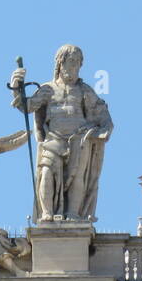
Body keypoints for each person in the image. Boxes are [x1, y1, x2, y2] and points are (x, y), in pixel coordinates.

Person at [10, 45, 112, 224]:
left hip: (79, 140)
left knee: (78, 177)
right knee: (46, 173)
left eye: (78, 63)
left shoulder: (85, 90)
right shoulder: (47, 89)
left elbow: (102, 116)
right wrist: (17, 88)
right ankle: (47, 214)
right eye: (71, 62)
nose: (75, 68)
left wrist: (96, 131)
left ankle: (73, 213)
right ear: (60, 63)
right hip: (53, 139)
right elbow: (27, 106)